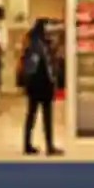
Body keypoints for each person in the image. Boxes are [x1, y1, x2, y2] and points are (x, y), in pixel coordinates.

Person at [22, 20, 63, 156]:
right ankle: (49, 146)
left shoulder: (35, 43)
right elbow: (39, 67)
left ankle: (28, 144)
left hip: (35, 86)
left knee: (32, 115)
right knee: (45, 117)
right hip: (41, 85)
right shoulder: (38, 46)